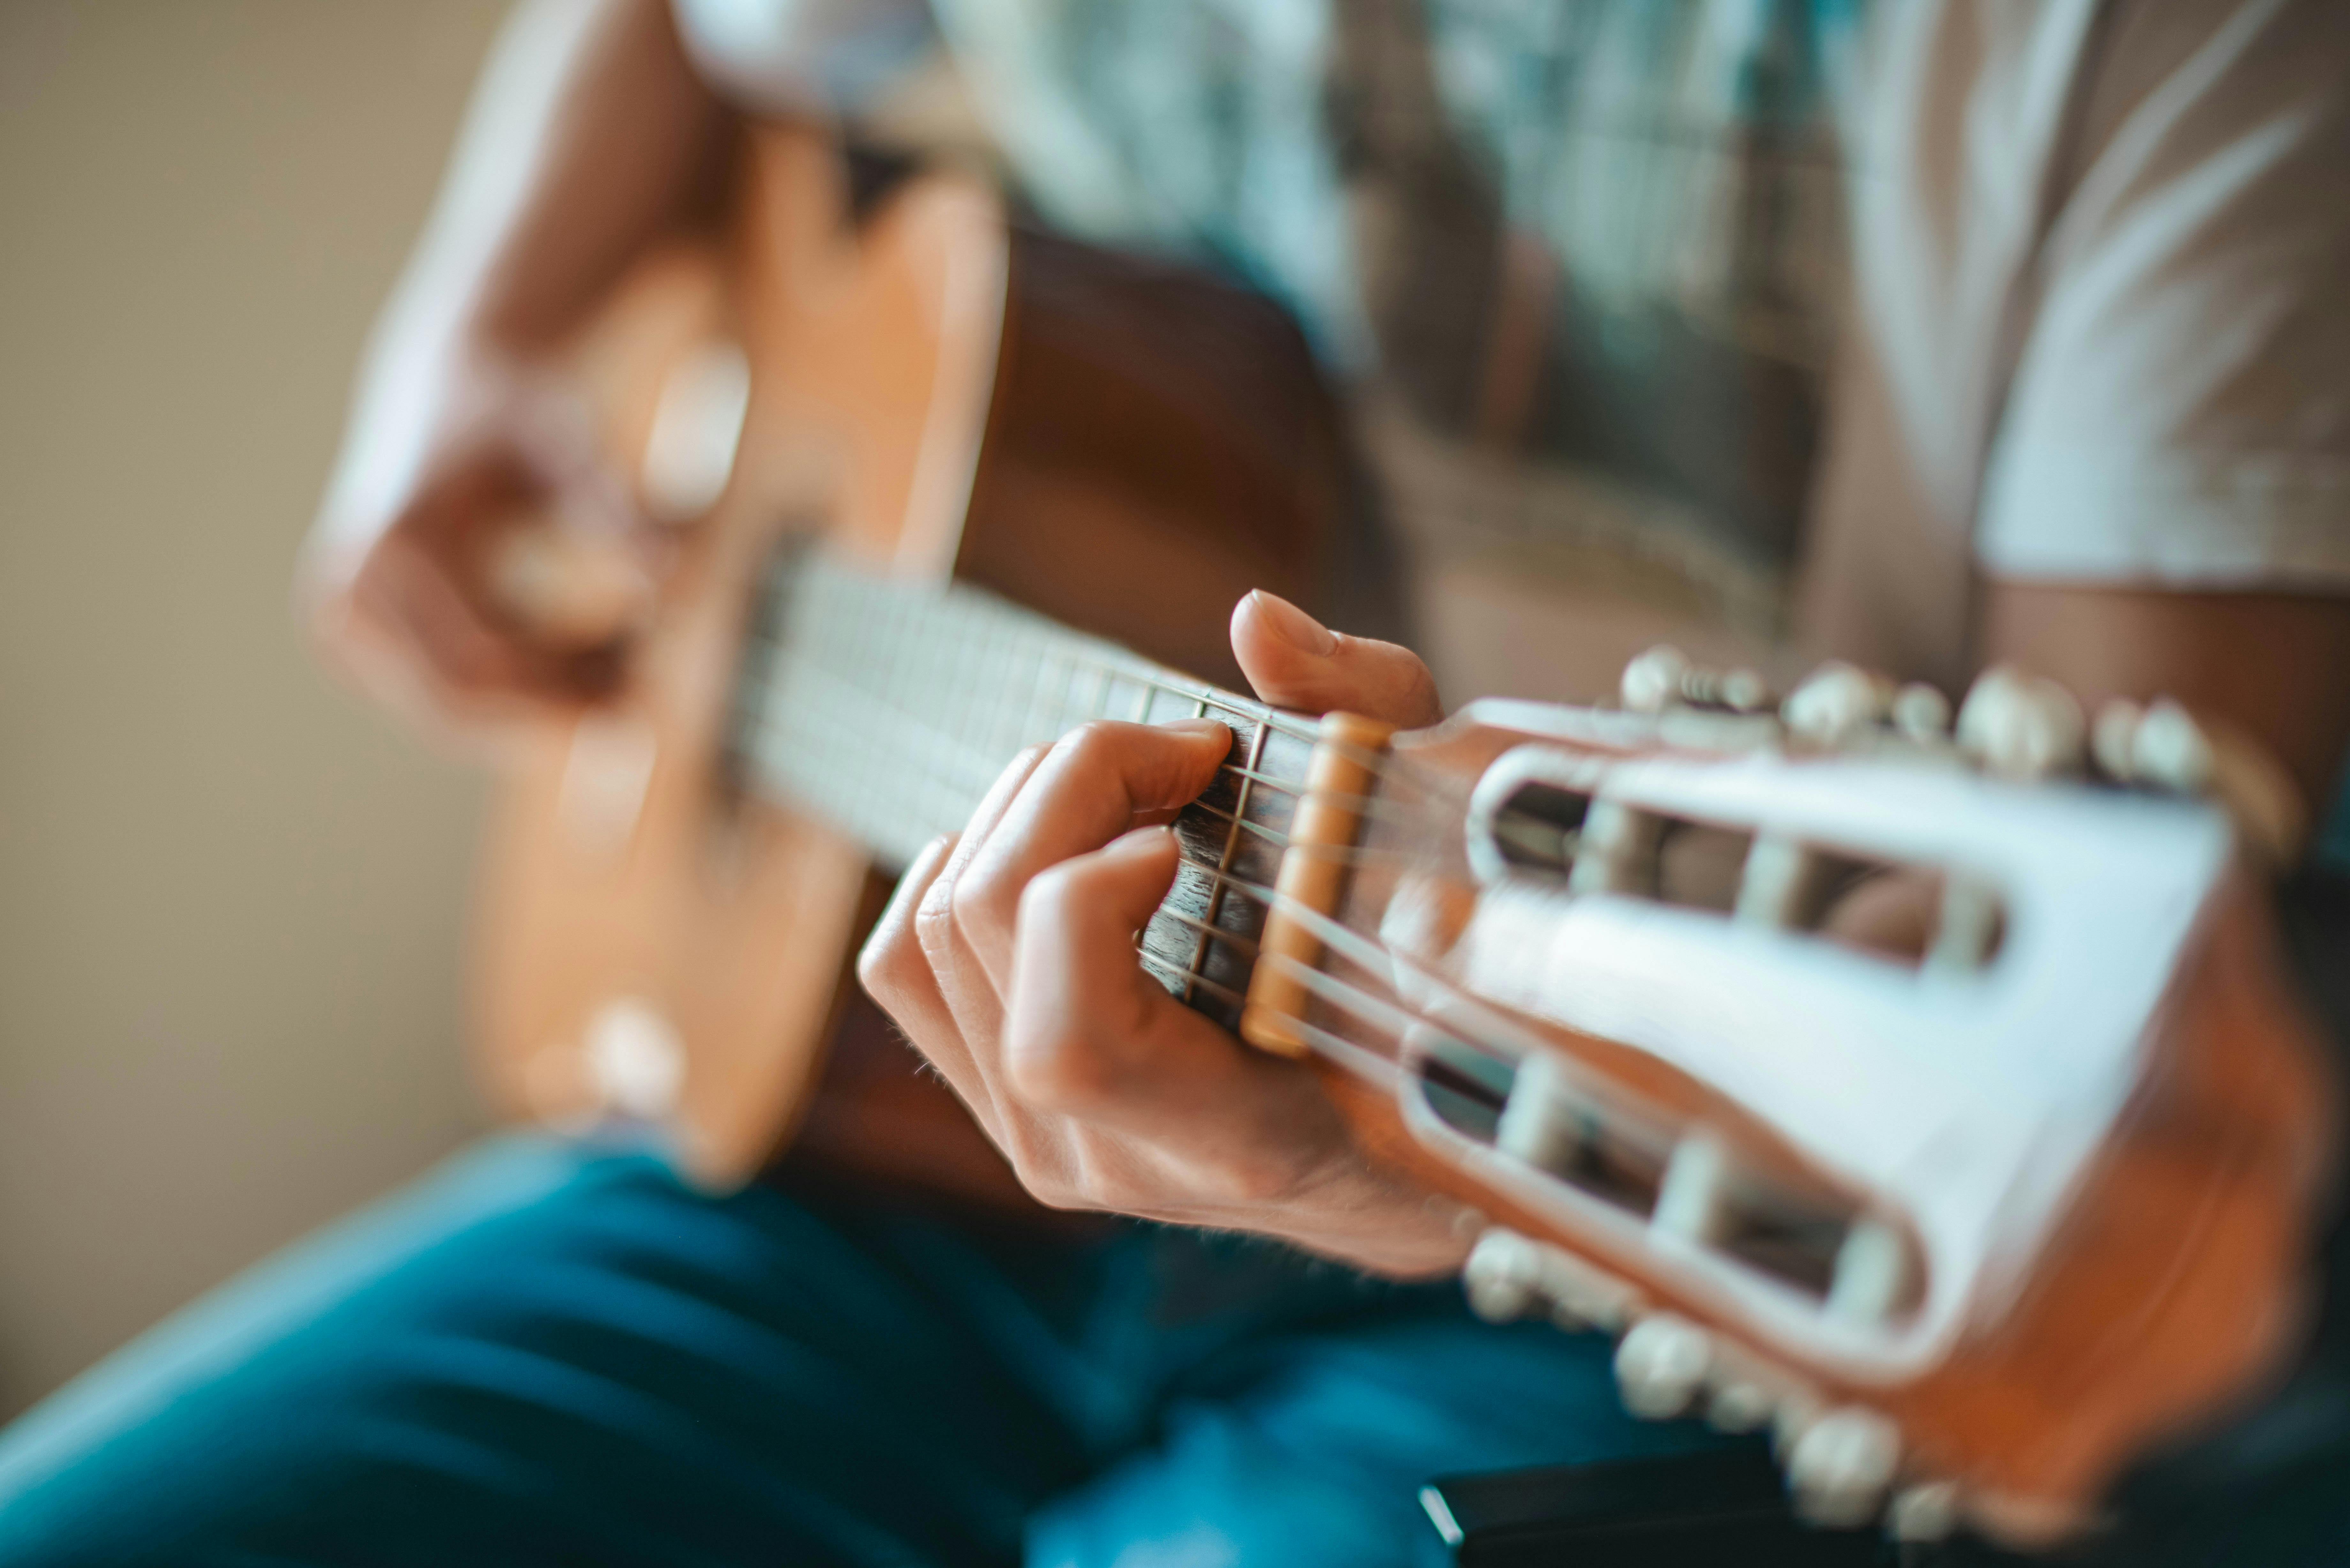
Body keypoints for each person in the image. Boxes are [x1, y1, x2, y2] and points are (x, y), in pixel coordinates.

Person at [6, 1, 2350, 1563]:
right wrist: (479, 329)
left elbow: (2117, 1023)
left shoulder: (2188, 54)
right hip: (878, 1132)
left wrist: (1371, 1182)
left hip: (1578, 1217)